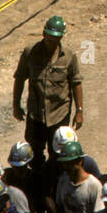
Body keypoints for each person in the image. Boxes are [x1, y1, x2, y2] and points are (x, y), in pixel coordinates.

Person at [12, 15, 82, 165]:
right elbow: (19, 78)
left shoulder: (69, 56)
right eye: (50, 39)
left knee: (58, 155)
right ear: (44, 34)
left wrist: (79, 111)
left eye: (56, 40)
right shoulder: (30, 53)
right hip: (35, 114)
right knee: (34, 154)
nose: (52, 44)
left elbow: (76, 83)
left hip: (59, 113)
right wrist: (16, 106)